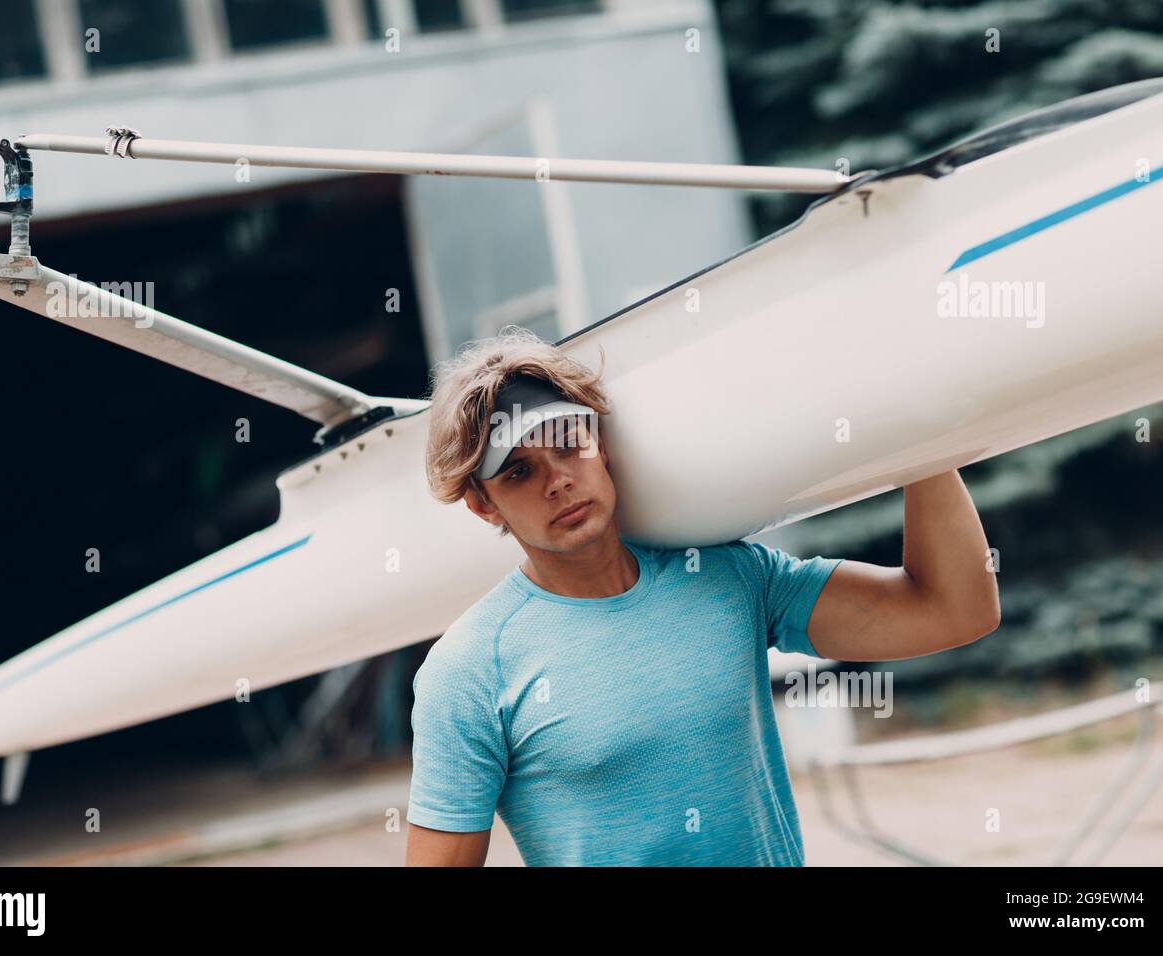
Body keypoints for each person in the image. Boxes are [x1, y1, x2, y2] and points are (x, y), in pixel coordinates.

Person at [405, 326, 1000, 866]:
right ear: (483, 505)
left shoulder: (727, 576)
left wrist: (920, 442)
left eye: (568, 444)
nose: (557, 479)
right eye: (519, 472)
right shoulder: (468, 671)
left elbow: (953, 609)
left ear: (600, 443)